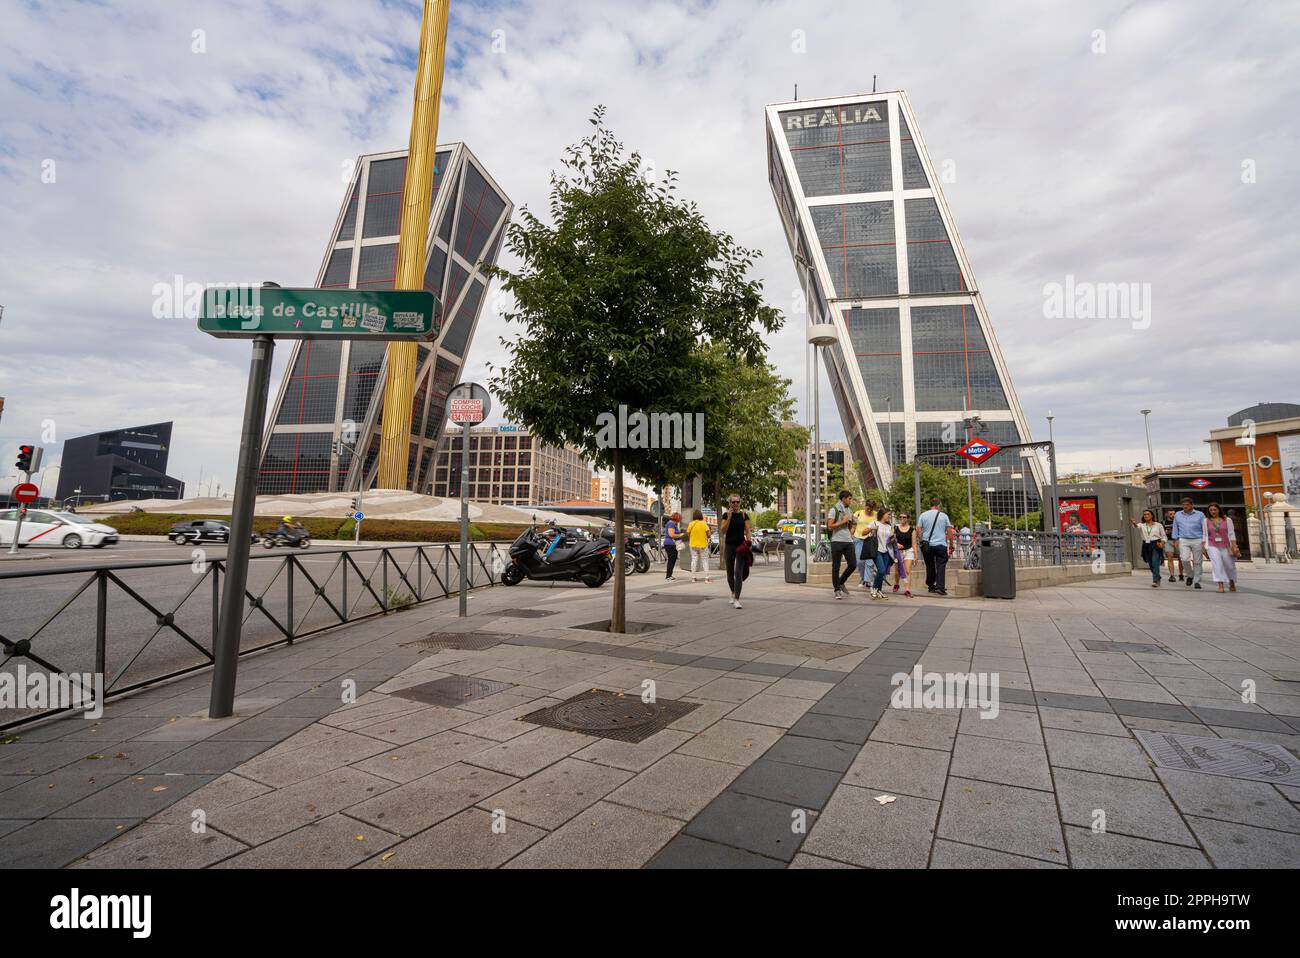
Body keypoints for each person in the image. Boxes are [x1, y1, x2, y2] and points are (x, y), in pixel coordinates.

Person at [720, 494, 751, 609]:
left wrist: (749, 542)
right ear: (730, 503)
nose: (735, 504)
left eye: (737, 502)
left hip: (741, 546)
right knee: (729, 572)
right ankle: (733, 592)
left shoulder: (744, 515)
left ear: (740, 503)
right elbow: (722, 531)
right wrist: (728, 518)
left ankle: (737, 599)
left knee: (738, 573)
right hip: (729, 546)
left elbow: (748, 531)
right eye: (733, 502)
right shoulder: (726, 515)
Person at [917, 497, 953, 595]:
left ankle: (931, 586)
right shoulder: (944, 516)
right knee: (941, 565)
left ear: (930, 505)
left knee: (929, 565)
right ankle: (940, 587)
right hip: (941, 544)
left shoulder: (923, 515)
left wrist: (921, 540)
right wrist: (951, 544)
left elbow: (918, 529)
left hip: (927, 545)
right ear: (939, 505)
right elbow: (949, 531)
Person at [1171, 497, 1207, 589]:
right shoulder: (1178, 515)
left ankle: (1197, 581)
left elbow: (1204, 528)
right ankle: (1190, 575)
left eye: (1187, 505)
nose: (1185, 506)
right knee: (1184, 559)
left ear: (1192, 505)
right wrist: (1175, 539)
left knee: (1197, 562)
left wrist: (1204, 541)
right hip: (1183, 539)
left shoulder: (1200, 514)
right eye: (1183, 505)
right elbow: (1175, 527)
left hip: (1197, 539)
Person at [828, 490, 858, 599]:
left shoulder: (849, 510)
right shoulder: (834, 510)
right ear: (844, 498)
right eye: (849, 498)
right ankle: (836, 590)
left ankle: (840, 582)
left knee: (853, 564)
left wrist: (852, 530)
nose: (851, 500)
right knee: (836, 567)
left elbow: (851, 524)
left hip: (848, 541)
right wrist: (843, 521)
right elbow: (830, 526)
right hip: (837, 541)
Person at [1204, 502, 1239, 593]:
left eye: (1214, 509)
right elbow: (1204, 535)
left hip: (1226, 546)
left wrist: (1234, 546)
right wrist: (1204, 547)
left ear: (1219, 510)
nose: (1213, 511)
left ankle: (1231, 582)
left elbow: (1231, 533)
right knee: (1217, 565)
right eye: (1211, 510)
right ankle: (1220, 585)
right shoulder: (1206, 521)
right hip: (1212, 546)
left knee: (1229, 565)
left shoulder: (1227, 520)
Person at [1128, 508, 1167, 587]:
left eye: (1148, 514)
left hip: (1156, 544)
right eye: (1144, 514)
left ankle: (1155, 580)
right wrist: (1134, 523)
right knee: (1150, 563)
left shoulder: (1158, 525)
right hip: (1146, 545)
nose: (1146, 516)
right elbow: (1135, 526)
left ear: (1152, 515)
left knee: (1155, 562)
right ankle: (1158, 577)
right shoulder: (1142, 525)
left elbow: (1163, 536)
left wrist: (1162, 543)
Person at [870, 508, 895, 600]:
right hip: (877, 550)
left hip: (887, 551)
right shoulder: (875, 523)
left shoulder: (889, 526)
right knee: (881, 570)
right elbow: (863, 532)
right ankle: (874, 588)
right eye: (888, 514)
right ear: (883, 514)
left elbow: (891, 540)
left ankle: (879, 591)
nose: (889, 516)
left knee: (883, 572)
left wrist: (893, 537)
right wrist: (872, 529)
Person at [852, 499, 877, 590]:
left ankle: (868, 581)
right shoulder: (858, 513)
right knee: (860, 561)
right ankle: (863, 578)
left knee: (870, 562)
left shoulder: (876, 515)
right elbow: (854, 525)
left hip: (870, 540)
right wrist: (850, 536)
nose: (869, 510)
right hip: (858, 538)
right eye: (867, 508)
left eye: (871, 509)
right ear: (865, 506)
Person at [892, 511, 915, 597]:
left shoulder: (912, 530)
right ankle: (897, 583)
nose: (902, 518)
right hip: (898, 552)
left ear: (908, 518)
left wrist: (916, 555)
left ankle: (907, 589)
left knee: (907, 571)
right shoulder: (896, 528)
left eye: (904, 517)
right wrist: (896, 544)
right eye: (900, 517)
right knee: (897, 571)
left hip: (908, 551)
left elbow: (914, 543)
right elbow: (891, 539)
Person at [686, 509, 711, 584]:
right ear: (701, 516)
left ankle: (693, 578)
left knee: (694, 560)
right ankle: (706, 578)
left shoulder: (691, 524)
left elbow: (688, 534)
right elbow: (709, 534)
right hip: (703, 545)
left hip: (693, 545)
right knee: (705, 561)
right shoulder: (704, 524)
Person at [1162, 509, 1182, 582]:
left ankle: (1181, 574)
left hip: (1178, 541)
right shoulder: (1163, 523)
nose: (1173, 515)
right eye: (1171, 514)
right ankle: (1172, 575)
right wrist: (1166, 532)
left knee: (1181, 558)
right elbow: (1161, 532)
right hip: (1168, 541)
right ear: (1167, 514)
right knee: (1170, 557)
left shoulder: (1179, 522)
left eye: (1174, 514)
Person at [663, 512, 684, 581]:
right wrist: (680, 535)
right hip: (670, 544)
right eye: (679, 518)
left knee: (672, 560)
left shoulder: (673, 524)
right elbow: (671, 535)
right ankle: (668, 576)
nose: (680, 520)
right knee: (671, 560)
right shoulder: (671, 523)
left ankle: (669, 575)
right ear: (677, 518)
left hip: (672, 544)